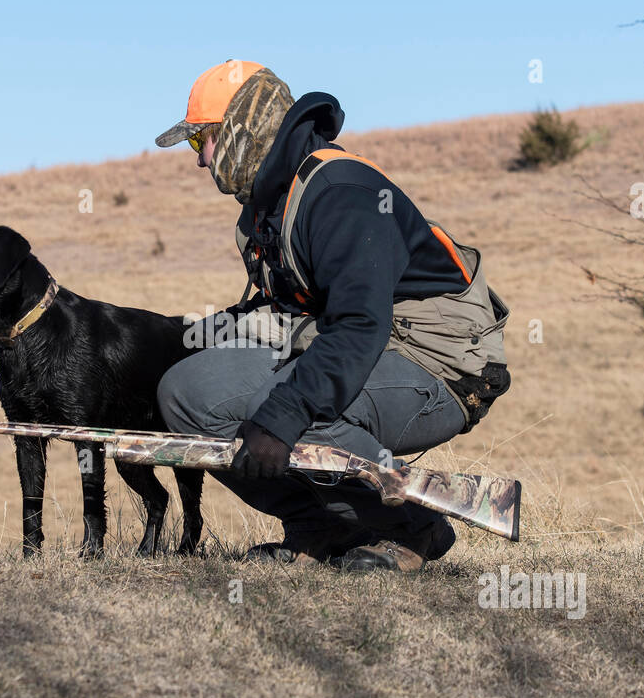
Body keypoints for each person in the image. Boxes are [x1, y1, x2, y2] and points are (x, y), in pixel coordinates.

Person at [154, 61, 511, 572]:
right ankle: (321, 524)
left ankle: (414, 527)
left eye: (198, 142)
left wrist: (280, 417)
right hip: (361, 347)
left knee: (288, 408)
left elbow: (360, 324)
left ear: (239, 128)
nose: (198, 161)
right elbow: (277, 315)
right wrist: (166, 337)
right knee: (186, 393)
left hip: (441, 366)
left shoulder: (343, 193)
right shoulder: (269, 205)